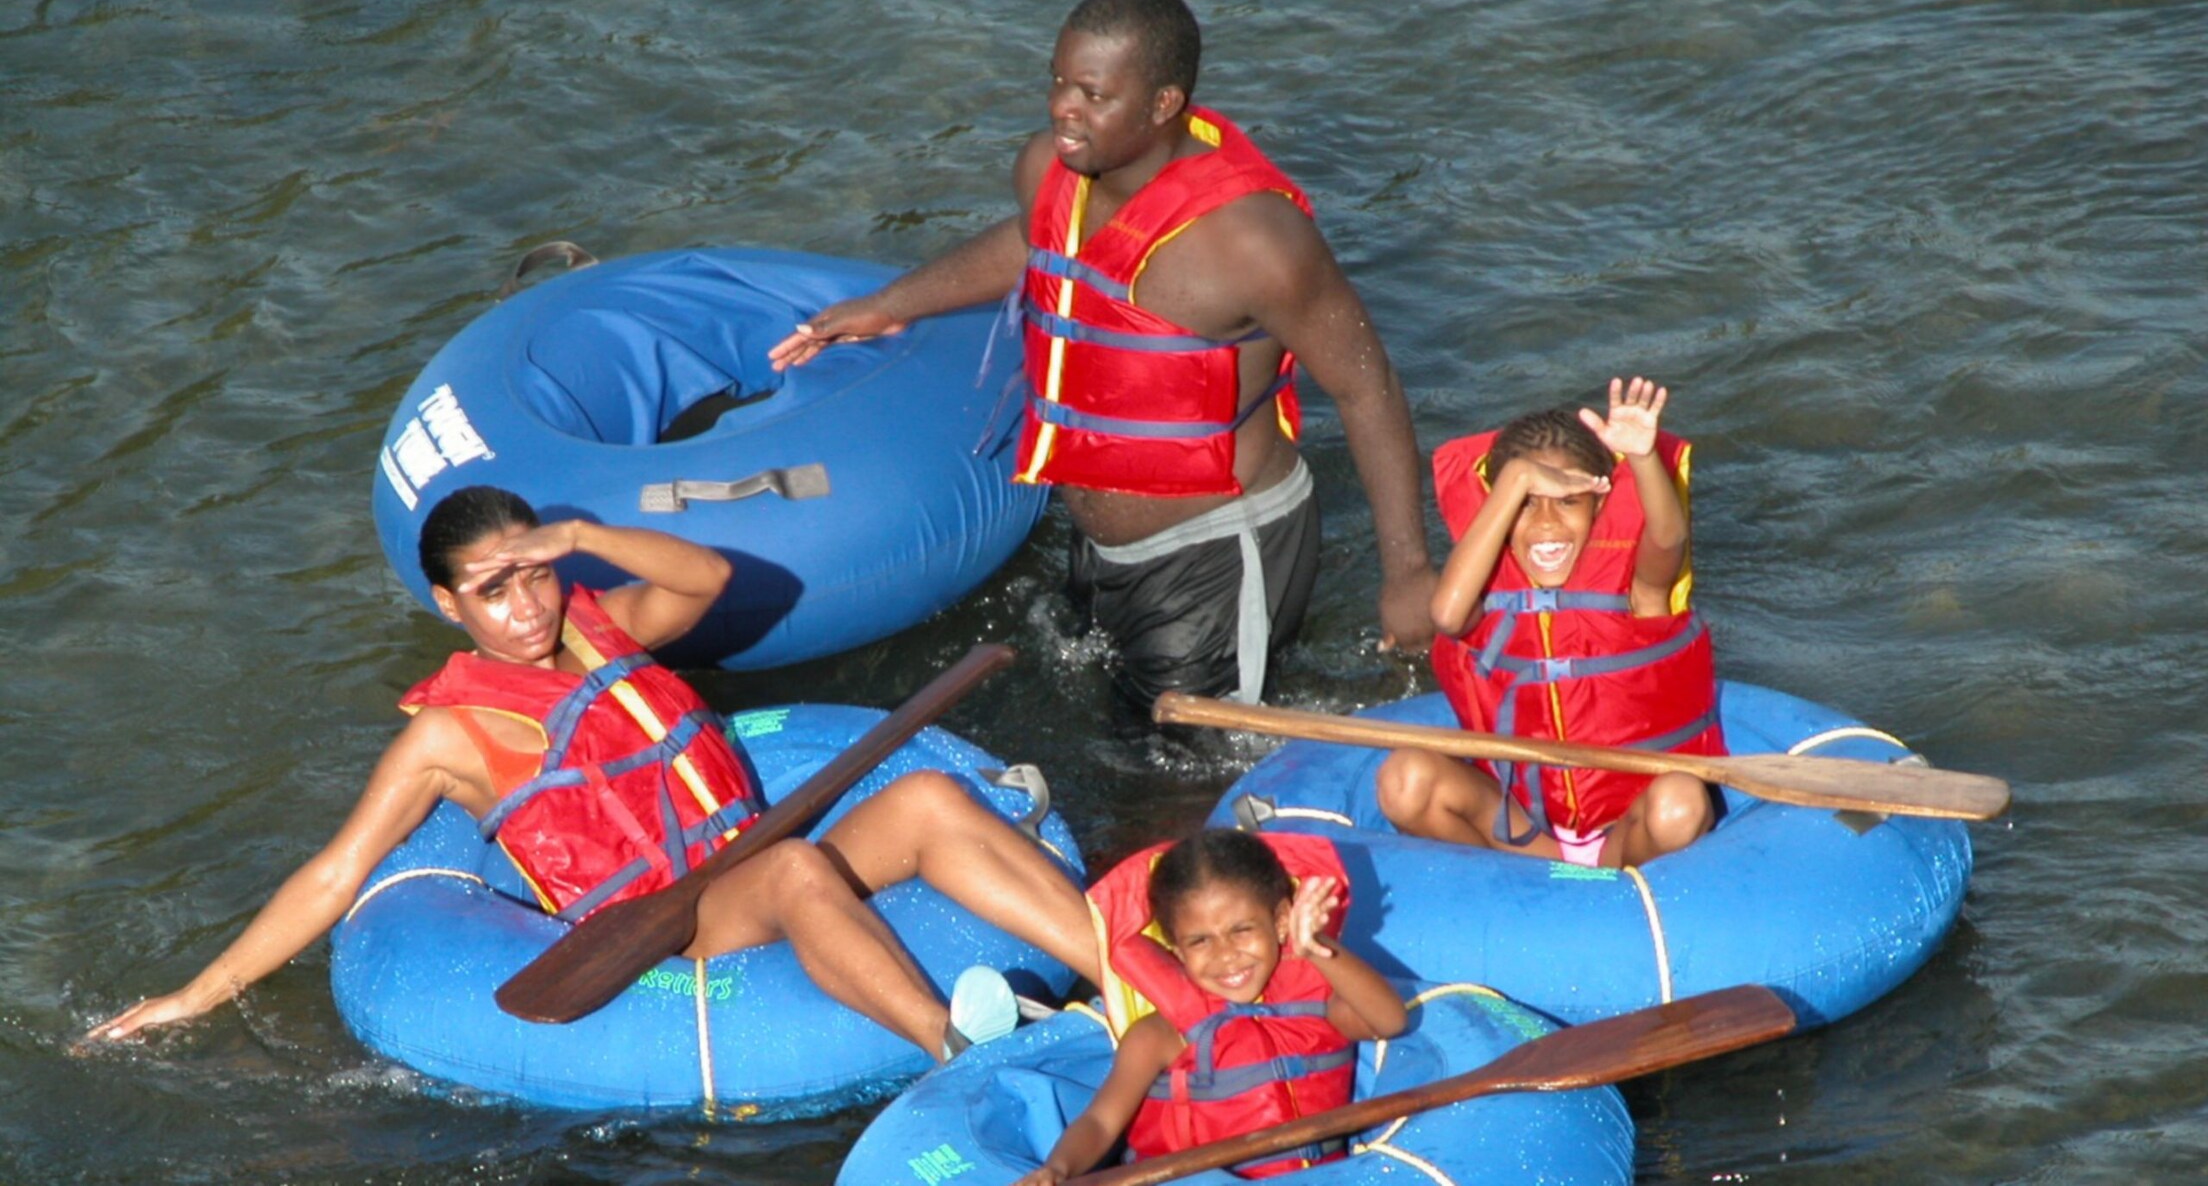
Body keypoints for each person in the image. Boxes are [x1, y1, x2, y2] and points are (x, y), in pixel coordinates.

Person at [88, 486, 1099, 1061]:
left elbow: (705, 579)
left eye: (533, 573)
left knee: (921, 798)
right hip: (673, 924)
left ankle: (1126, 975)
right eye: (492, 592)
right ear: (449, 609)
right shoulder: (446, 740)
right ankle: (959, 1054)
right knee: (797, 875)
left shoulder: (597, 624)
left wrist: (576, 538)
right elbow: (335, 872)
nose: (524, 608)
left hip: (748, 853)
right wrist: (197, 992)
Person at [767, 0, 1436, 712]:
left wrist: (1406, 573)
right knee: (1114, 736)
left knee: (1189, 777)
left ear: (1163, 104)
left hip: (1215, 551)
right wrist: (889, 305)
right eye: (1057, 81)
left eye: (1092, 93)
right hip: (1098, 544)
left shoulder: (1255, 242)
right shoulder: (1047, 168)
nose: (1063, 107)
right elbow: (1034, 245)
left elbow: (1366, 387)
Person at [1376, 378, 1724, 868]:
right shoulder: (1485, 588)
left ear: (1599, 504)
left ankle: (1610, 904)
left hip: (1626, 835)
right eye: (1525, 503)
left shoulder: (1639, 591)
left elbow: (1667, 539)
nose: (1545, 525)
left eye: (1566, 501)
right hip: (1521, 829)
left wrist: (1643, 458)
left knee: (1681, 803)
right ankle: (1507, 894)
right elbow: (1446, 615)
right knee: (1403, 779)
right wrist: (1517, 476)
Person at [1015, 830, 1405, 1183]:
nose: (1226, 956)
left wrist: (1319, 949)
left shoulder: (1319, 1007)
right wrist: (1058, 1168)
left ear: (1282, 921)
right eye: (1201, 941)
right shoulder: (1159, 1036)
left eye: (1242, 930)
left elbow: (1388, 1020)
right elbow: (1101, 1121)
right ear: (1176, 949)